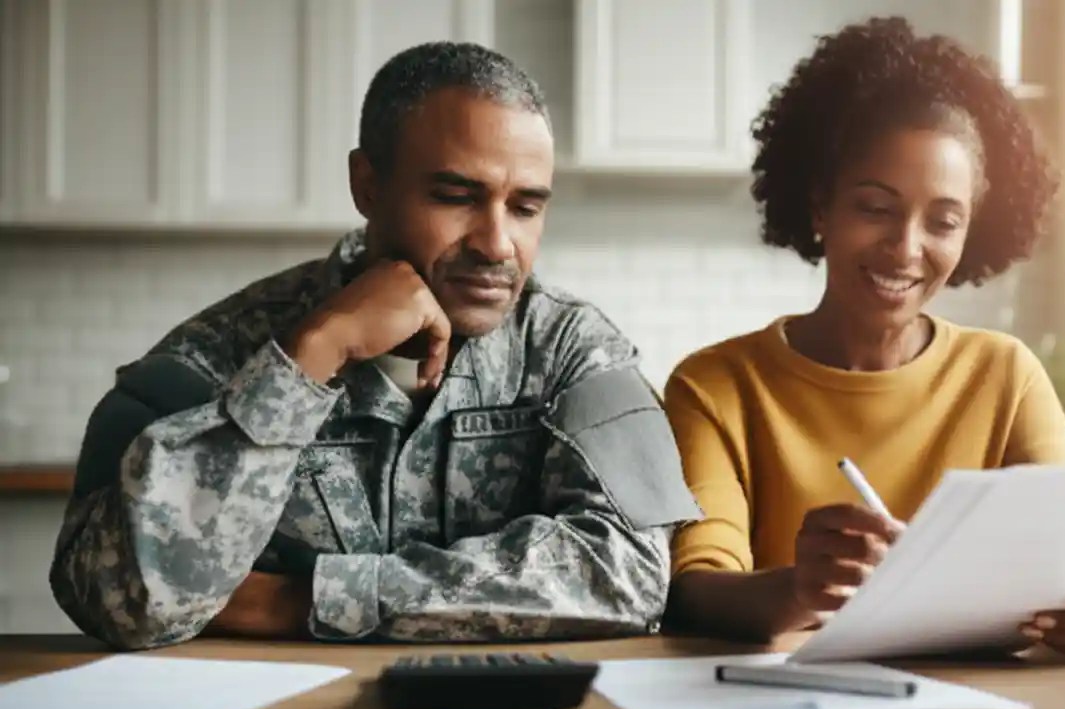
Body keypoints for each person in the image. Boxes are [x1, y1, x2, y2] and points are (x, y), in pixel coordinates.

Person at [49, 42, 700, 650]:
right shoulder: (212, 357)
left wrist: (298, 601)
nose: (497, 243)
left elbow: (632, 574)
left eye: (525, 208)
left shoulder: (574, 351)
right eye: (455, 197)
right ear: (367, 185)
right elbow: (121, 601)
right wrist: (307, 358)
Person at [663, 18, 1065, 663]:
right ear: (820, 206)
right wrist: (800, 590)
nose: (907, 248)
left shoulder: (1005, 375)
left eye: (943, 221)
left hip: (979, 698)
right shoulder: (715, 386)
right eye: (875, 208)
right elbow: (695, 591)